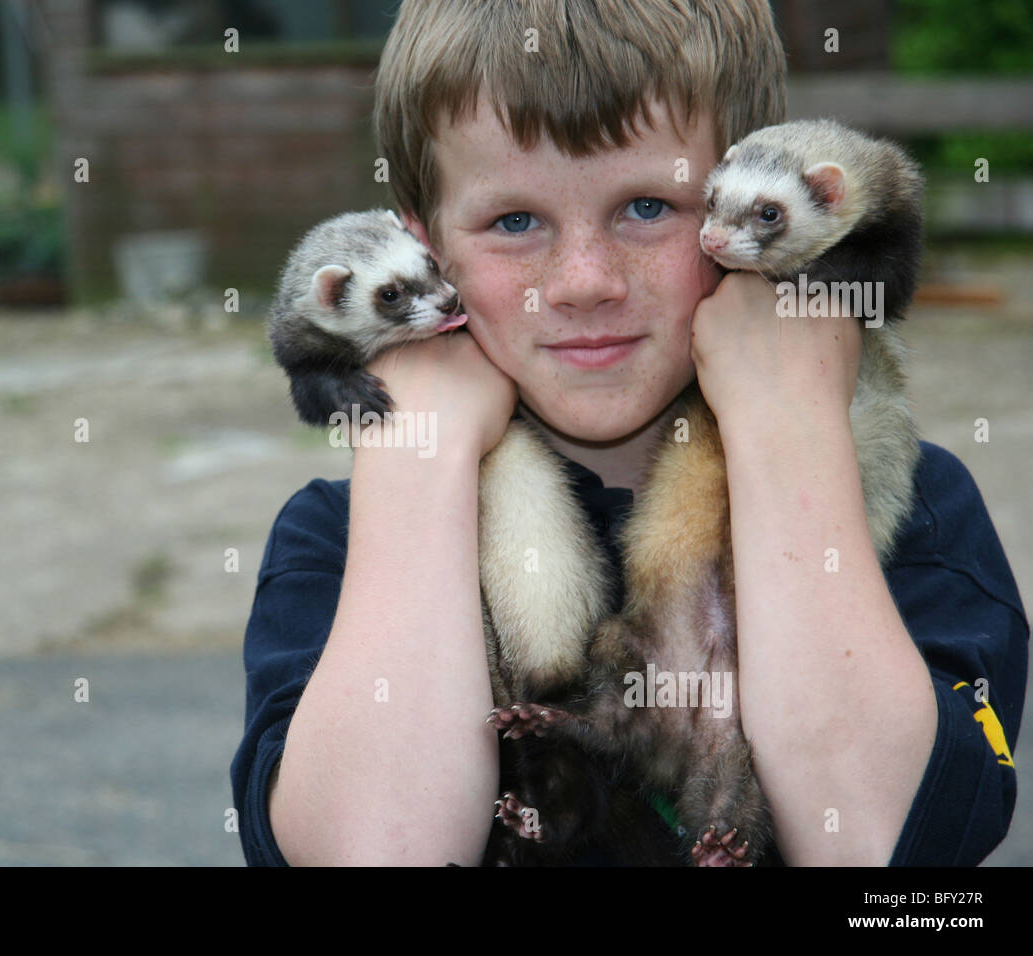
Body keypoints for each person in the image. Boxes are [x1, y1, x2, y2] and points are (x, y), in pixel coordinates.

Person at [230, 0, 1027, 866]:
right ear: (423, 250)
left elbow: (885, 856)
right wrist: (413, 448)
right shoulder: (333, 543)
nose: (584, 282)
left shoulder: (927, 514)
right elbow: (377, 850)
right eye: (514, 221)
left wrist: (787, 424)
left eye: (648, 206)